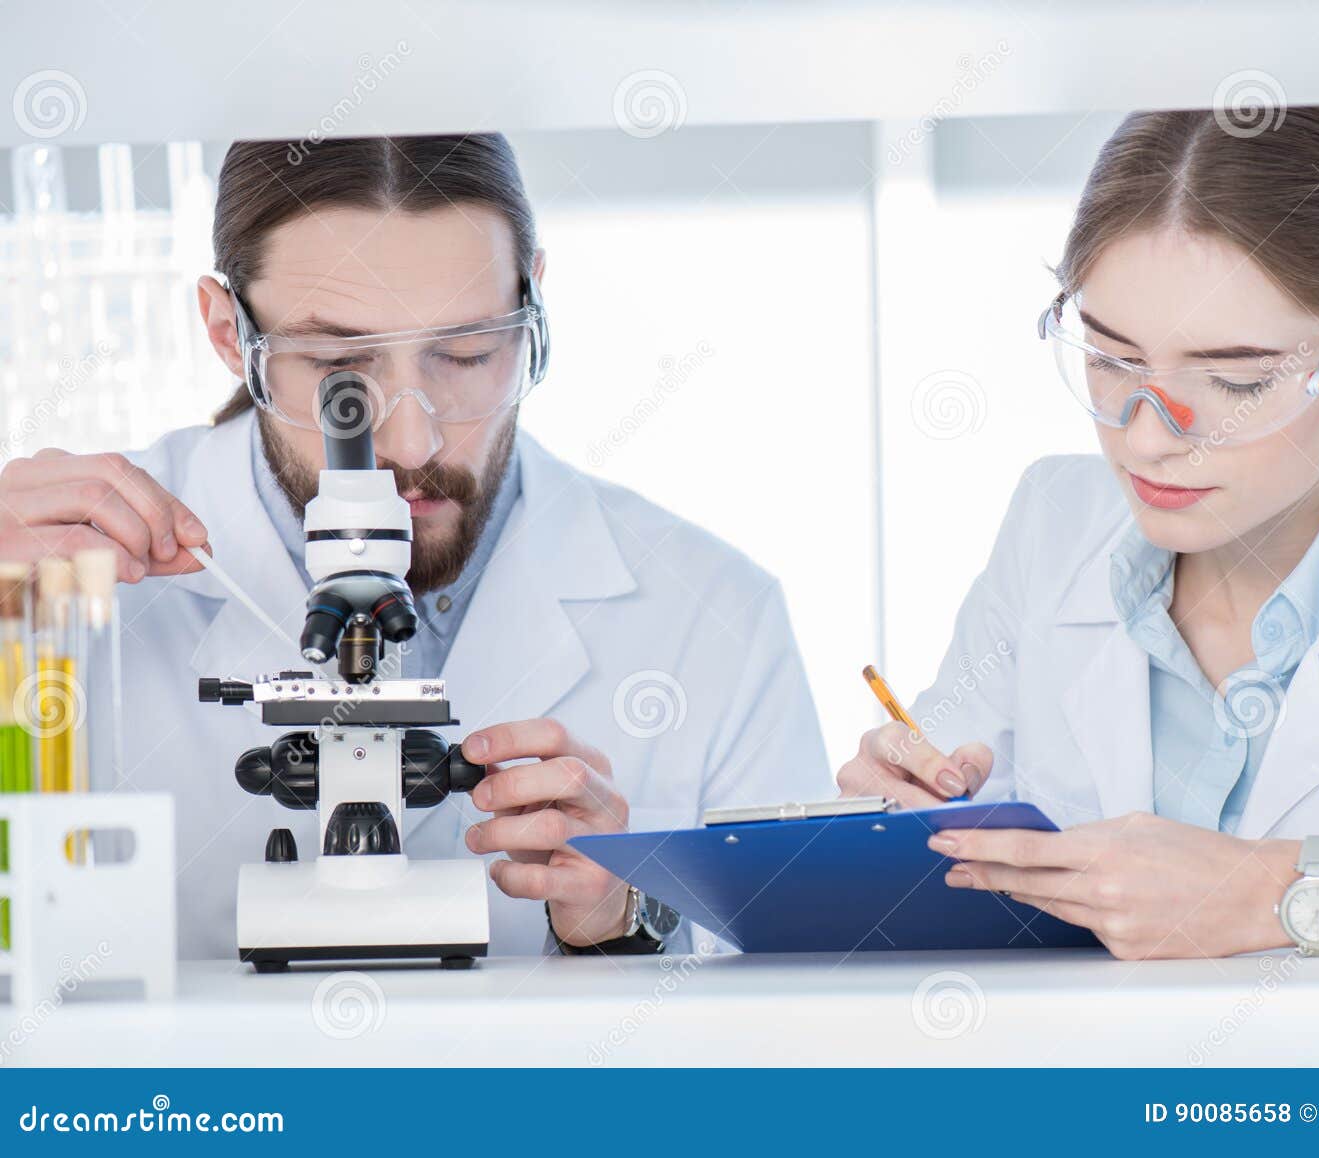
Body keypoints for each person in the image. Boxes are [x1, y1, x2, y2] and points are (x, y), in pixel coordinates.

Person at [0, 133, 829, 958]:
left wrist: (629, 917)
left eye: (466, 354)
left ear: (534, 308)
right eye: (338, 366)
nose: (408, 440)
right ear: (228, 335)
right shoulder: (58, 577)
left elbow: (806, 998)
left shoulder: (715, 615)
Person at [838, 104, 1319, 959]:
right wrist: (891, 820)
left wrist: (1291, 891)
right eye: (1112, 359)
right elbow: (949, 821)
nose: (1147, 437)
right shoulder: (1053, 527)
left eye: (1235, 382)